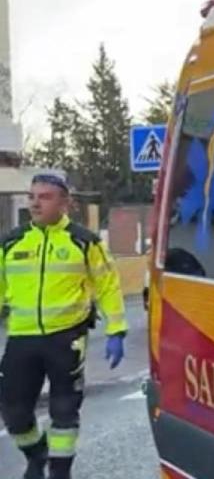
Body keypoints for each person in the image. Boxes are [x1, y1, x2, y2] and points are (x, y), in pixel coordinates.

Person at [0, 174, 128, 479]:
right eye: (32, 196)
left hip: (66, 339)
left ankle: (60, 470)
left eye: (44, 196)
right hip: (21, 338)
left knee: (64, 411)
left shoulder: (84, 241)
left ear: (64, 202)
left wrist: (117, 330)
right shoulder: (11, 242)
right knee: (14, 413)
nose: (34, 202)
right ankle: (36, 453)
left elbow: (108, 285)